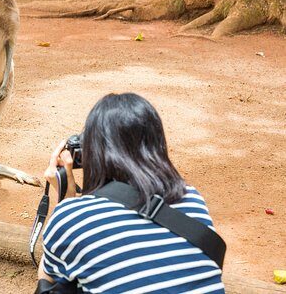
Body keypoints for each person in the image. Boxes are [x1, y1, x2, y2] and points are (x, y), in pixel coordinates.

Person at [39, 93, 224, 293]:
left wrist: (66, 199)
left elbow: (49, 278)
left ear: (90, 153)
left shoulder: (71, 217)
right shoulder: (191, 198)